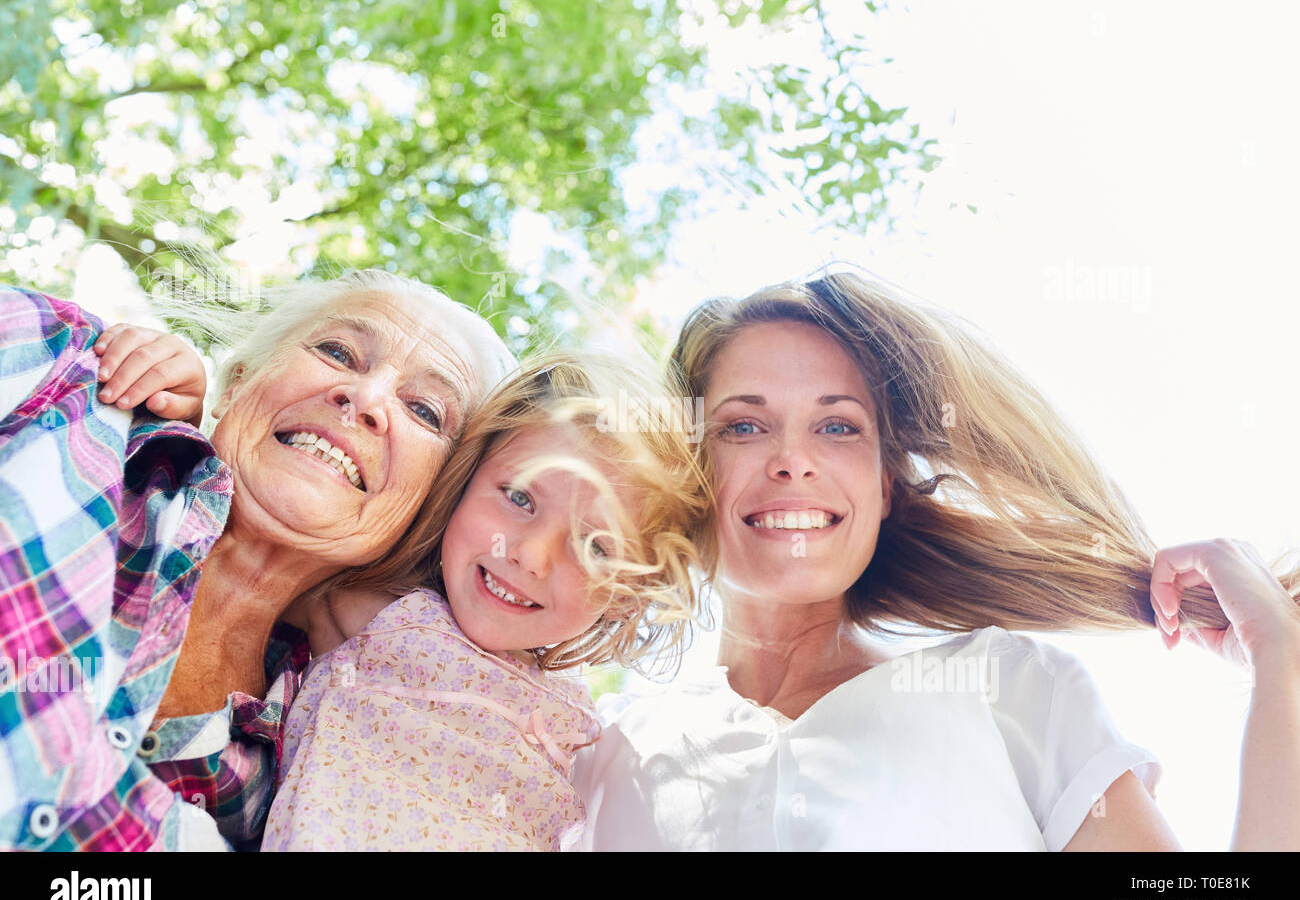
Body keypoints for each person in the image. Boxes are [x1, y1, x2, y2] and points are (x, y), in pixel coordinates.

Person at [573, 270, 1300, 851]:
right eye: (744, 425)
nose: (792, 460)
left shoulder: (1011, 689)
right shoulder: (601, 754)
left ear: (884, 487)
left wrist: (1282, 666)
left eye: (837, 425)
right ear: (691, 471)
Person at [0, 269, 513, 850]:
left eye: (425, 411)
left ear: (434, 514)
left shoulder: (311, 777)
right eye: (337, 351)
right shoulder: (66, 372)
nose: (364, 397)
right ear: (237, 382)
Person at [259, 353, 706, 850]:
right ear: (465, 478)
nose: (533, 557)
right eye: (519, 498)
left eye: (596, 546)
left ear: (628, 595)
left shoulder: (587, 737)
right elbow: (229, 574)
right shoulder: (383, 612)